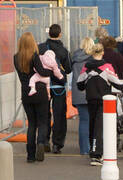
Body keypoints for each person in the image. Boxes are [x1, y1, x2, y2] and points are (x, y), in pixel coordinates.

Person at [77, 42, 123, 164]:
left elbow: (80, 85)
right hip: (103, 99)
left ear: (92, 53)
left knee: (92, 124)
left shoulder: (86, 67)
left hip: (90, 98)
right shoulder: (107, 67)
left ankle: (92, 150)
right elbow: (116, 82)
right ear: (103, 52)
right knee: (99, 127)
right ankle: (97, 154)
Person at [14, 32, 52, 163]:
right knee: (42, 121)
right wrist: (52, 70)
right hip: (40, 91)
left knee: (31, 124)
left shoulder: (16, 58)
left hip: (26, 92)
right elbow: (42, 72)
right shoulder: (34, 57)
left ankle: (30, 155)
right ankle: (41, 143)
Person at [38, 23, 72, 154]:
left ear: (49, 34)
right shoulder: (63, 51)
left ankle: (43, 140)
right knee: (59, 115)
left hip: (43, 84)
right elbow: (68, 69)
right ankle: (57, 144)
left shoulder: (40, 48)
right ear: (60, 34)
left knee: (44, 114)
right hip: (58, 86)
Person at [70, 37, 95, 155]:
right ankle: (93, 146)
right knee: (93, 121)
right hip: (91, 92)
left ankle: (84, 149)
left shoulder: (75, 57)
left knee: (83, 121)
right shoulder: (93, 59)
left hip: (77, 92)